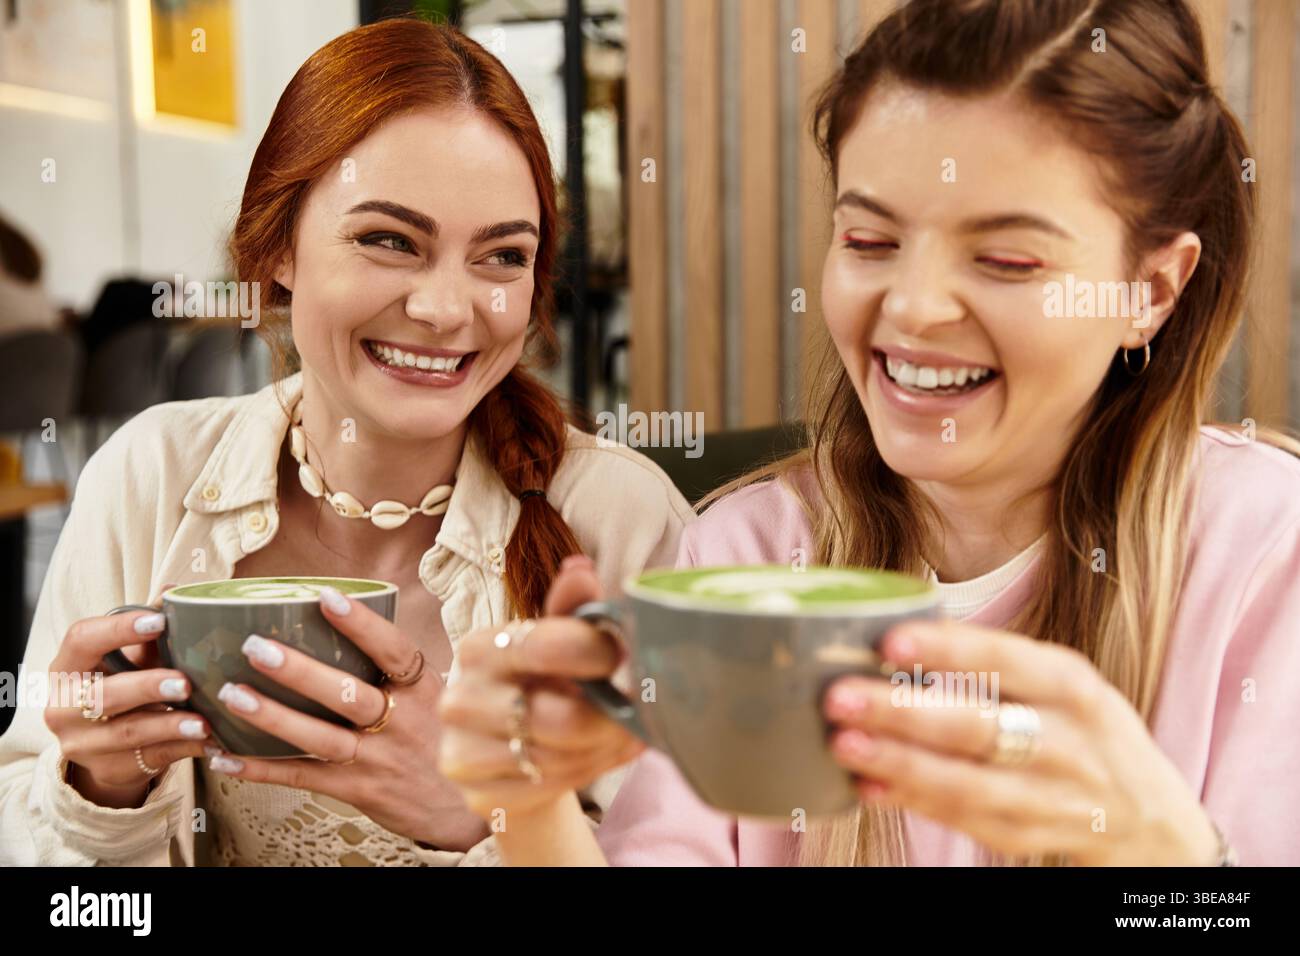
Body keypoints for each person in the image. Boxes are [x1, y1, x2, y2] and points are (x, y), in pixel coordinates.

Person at [439, 0, 1300, 866]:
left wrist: (1171, 859)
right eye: (869, 238)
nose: (915, 307)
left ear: (1150, 289)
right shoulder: (743, 558)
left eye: (1006, 260)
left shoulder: (1266, 547)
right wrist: (529, 801)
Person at [0, 18, 690, 866]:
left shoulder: (620, 519)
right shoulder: (153, 476)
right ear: (280, 246)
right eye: (388, 240)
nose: (445, 309)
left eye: (502, 256)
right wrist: (102, 790)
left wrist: (490, 816)